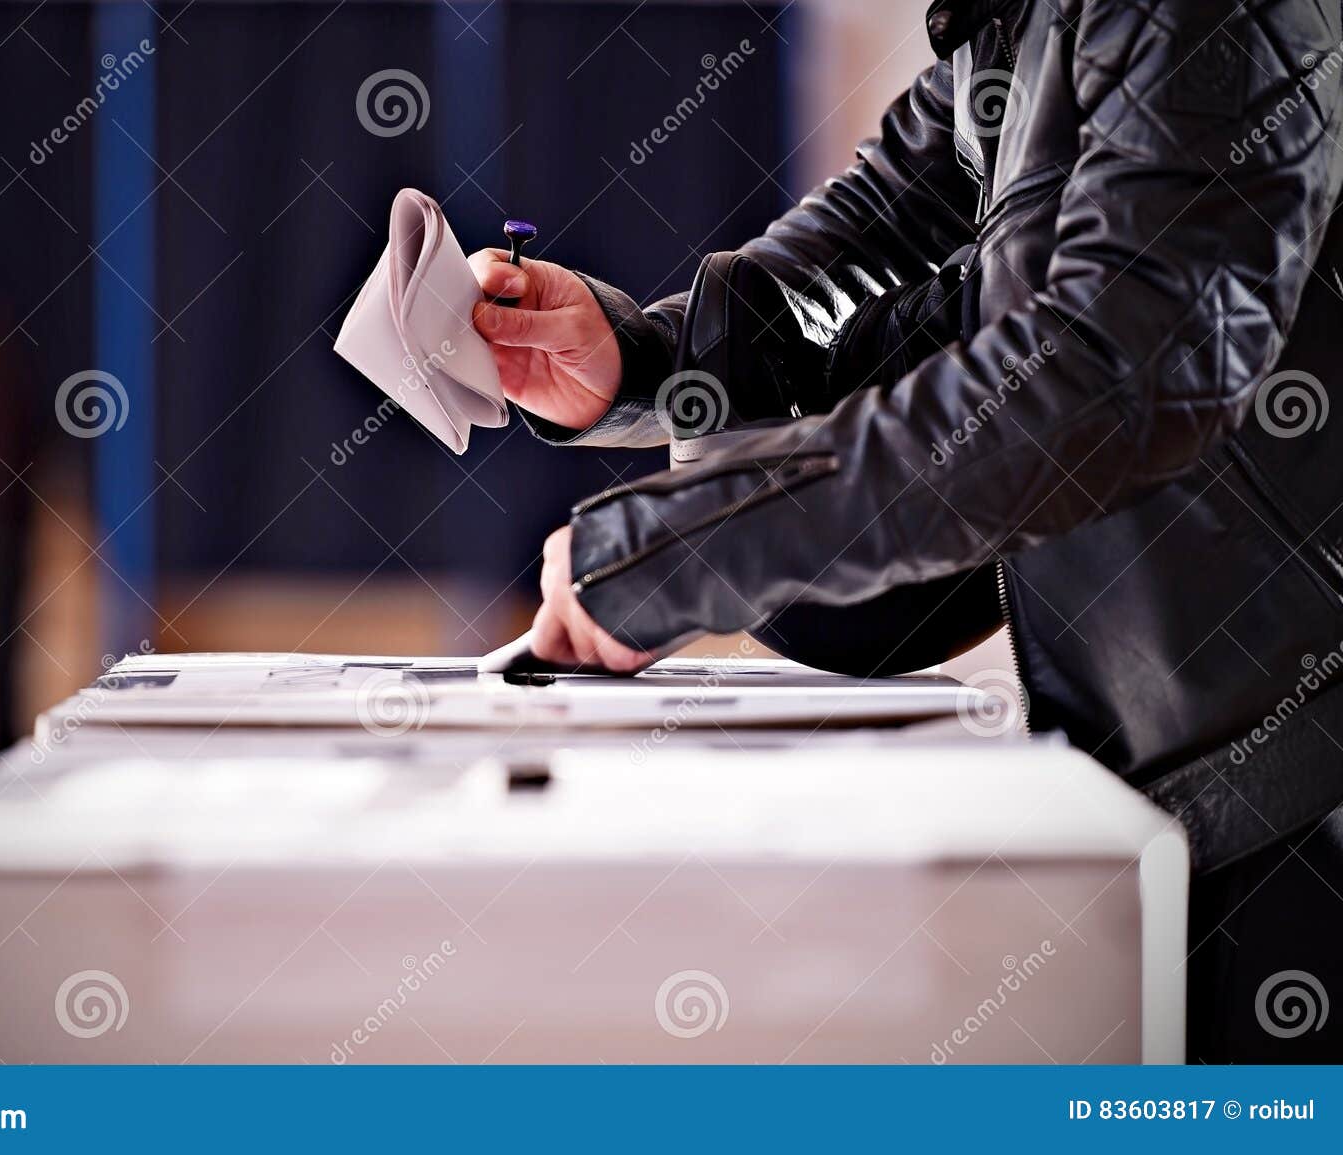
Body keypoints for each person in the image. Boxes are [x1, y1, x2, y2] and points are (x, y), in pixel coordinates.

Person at [469, 0, 1343, 1062]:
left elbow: (1119, 371)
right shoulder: (1011, 29)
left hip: (1301, 792)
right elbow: (861, 256)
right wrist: (636, 364)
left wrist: (693, 546)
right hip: (1168, 794)